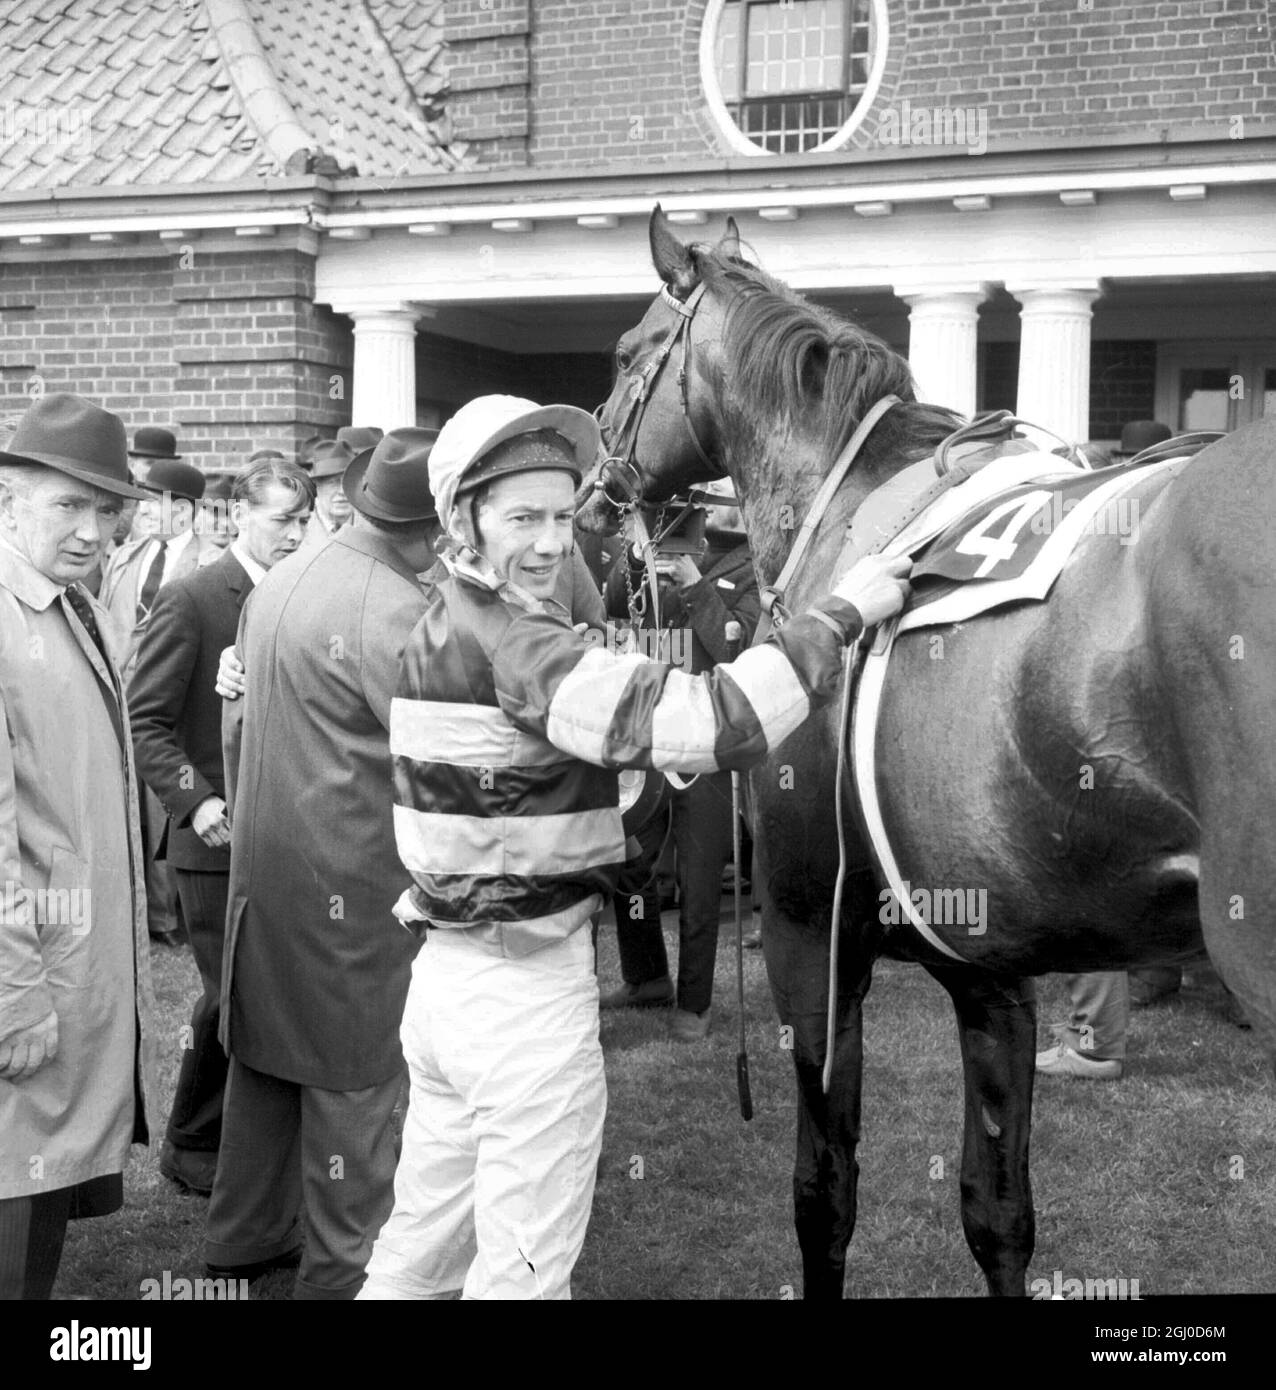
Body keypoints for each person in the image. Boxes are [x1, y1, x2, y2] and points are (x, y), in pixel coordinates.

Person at [358, 394, 912, 1300]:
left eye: (558, 515)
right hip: (520, 1005)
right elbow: (722, 720)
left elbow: (541, 767)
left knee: (416, 1255)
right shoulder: (519, 643)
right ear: (464, 520)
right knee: (523, 1280)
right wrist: (841, 614)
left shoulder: (445, 614)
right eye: (520, 518)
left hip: (448, 990)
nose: (547, 542)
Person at [204, 430, 441, 1300]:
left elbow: (240, 727)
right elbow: (440, 770)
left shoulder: (278, 581)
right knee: (351, 1083)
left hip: (268, 879)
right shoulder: (399, 614)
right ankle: (344, 1270)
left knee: (265, 1068)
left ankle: (243, 1238)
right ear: (435, 529)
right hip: (353, 888)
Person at [0, 393, 156, 1299]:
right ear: (10, 502)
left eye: (108, 509)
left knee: (42, 1198)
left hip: (69, 968)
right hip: (32, 981)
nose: (95, 530)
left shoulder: (74, 606)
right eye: (70, 505)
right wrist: (14, 995)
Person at [129, 459, 314, 1197]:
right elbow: (146, 720)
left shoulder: (301, 594)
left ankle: (240, 1142)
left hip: (283, 834)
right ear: (238, 515)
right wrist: (197, 800)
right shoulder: (192, 599)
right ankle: (190, 1142)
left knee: (264, 994)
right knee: (222, 997)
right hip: (211, 842)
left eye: (304, 522)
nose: (296, 535)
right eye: (281, 522)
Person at [600, 487, 760, 1040]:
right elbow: (616, 609)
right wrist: (638, 554)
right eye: (700, 498)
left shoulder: (754, 562)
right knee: (630, 860)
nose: (706, 506)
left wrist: (695, 589)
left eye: (718, 496)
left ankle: (694, 1003)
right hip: (652, 729)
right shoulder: (659, 546)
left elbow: (737, 656)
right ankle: (646, 977)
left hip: (706, 737)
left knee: (698, 875)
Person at [100, 445, 214, 948]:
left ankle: (176, 919)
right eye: (141, 503)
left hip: (175, 705)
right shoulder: (126, 556)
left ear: (185, 509)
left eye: (153, 503)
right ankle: (145, 915)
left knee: (167, 804)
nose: (142, 512)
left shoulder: (208, 563)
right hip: (123, 700)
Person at [298, 440, 356, 554]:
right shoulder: (299, 529)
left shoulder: (371, 527)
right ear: (317, 486)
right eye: (333, 482)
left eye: (348, 482)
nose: (342, 491)